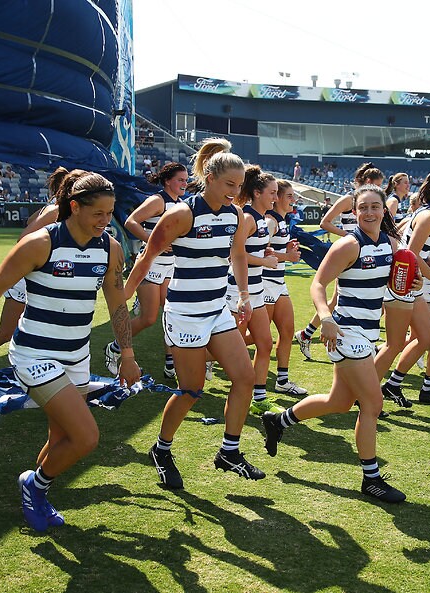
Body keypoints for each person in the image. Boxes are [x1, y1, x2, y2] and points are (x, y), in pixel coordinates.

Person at [0, 169, 141, 531]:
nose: (105, 221)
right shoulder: (41, 243)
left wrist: (127, 355)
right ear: (74, 207)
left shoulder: (109, 248)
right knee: (86, 437)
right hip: (35, 355)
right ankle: (33, 486)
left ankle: (37, 490)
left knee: (62, 438)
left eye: (109, 213)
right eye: (98, 213)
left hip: (76, 356)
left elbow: (117, 304)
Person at [124, 138, 266, 490]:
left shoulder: (235, 214)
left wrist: (243, 296)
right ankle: (161, 449)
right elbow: (146, 259)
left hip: (217, 309)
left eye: (239, 186)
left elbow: (237, 257)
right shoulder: (181, 214)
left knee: (244, 378)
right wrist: (121, 301)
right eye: (229, 185)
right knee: (191, 390)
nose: (235, 192)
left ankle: (229, 452)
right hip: (186, 313)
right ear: (210, 178)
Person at [261, 185, 416, 504]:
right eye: (364, 208)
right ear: (354, 212)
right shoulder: (348, 245)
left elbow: (391, 282)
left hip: (368, 334)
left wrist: (414, 282)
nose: (370, 213)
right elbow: (318, 284)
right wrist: (324, 317)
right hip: (344, 333)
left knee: (339, 402)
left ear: (384, 211)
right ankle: (371, 480)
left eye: (376, 207)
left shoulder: (391, 244)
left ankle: (279, 420)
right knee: (373, 403)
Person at [380, 172, 430, 406]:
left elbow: (420, 252)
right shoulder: (428, 216)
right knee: (414, 339)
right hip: (414, 284)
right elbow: (412, 253)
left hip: (421, 282)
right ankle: (379, 387)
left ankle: (408, 387)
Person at [295, 163, 385, 359]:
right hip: (349, 257)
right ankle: (311, 333)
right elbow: (324, 222)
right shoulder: (348, 200)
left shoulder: (372, 205)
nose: (381, 190)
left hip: (363, 255)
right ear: (369, 182)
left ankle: (306, 334)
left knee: (338, 300)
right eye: (378, 185)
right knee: (336, 300)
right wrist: (349, 235)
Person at [0, 182, 64, 361]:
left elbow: (31, 219)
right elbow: (23, 238)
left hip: (43, 276)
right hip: (28, 276)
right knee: (5, 332)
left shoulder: (55, 208)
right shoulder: (55, 210)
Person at [119, 162, 189, 379]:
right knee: (148, 318)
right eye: (180, 180)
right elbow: (131, 222)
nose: (185, 184)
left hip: (170, 265)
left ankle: (170, 363)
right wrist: (153, 241)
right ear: (167, 181)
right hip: (150, 264)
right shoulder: (157, 200)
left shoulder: (180, 204)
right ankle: (116, 346)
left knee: (171, 314)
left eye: (186, 180)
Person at [224, 166, 283, 414]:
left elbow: (253, 251)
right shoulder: (247, 217)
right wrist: (264, 261)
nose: (276, 198)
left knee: (265, 343)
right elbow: (234, 255)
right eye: (272, 193)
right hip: (240, 290)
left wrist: (268, 254)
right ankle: (182, 357)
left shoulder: (261, 219)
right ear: (257, 193)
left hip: (256, 288)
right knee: (231, 349)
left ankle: (259, 398)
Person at [263, 180, 306, 398]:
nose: (293, 200)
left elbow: (273, 249)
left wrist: (286, 250)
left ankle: (282, 380)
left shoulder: (281, 221)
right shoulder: (270, 221)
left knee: (287, 330)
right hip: (265, 283)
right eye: (289, 196)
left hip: (279, 282)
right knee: (259, 338)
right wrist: (287, 256)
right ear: (277, 198)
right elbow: (259, 252)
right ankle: (207, 356)